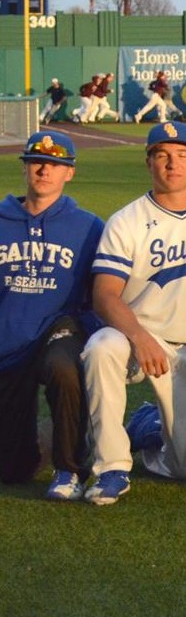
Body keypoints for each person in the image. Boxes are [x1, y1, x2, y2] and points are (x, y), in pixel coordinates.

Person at [80, 123, 186, 503]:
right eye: (161, 155)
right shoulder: (126, 220)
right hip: (135, 339)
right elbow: (105, 295)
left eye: (180, 155)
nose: (171, 164)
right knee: (101, 346)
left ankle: (147, 424)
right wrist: (139, 336)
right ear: (149, 163)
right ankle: (111, 467)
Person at [0, 130, 103, 499]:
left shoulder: (89, 226)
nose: (45, 169)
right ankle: (39, 442)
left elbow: (103, 290)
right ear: (26, 169)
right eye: (37, 162)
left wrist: (88, 329)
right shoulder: (2, 218)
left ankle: (69, 467)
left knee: (64, 367)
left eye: (55, 164)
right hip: (9, 339)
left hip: (59, 329)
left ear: (69, 173)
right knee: (13, 470)